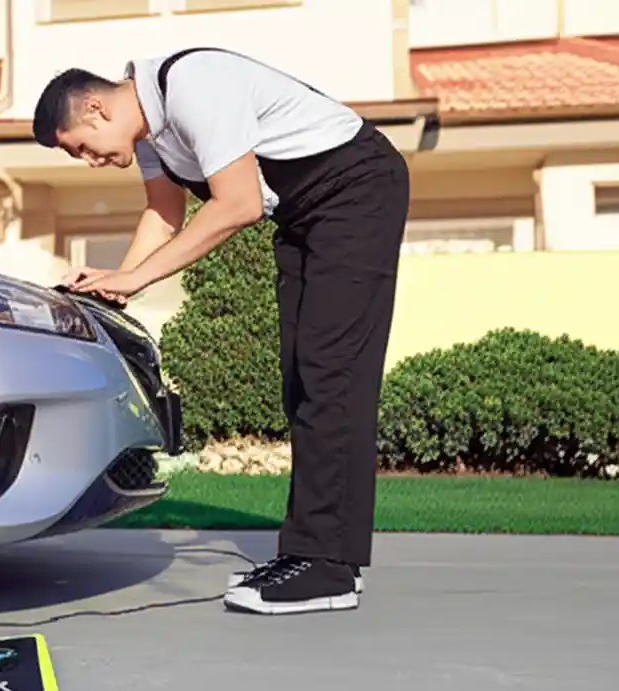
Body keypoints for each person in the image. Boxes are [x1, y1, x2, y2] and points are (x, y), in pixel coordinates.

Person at [32, 47, 410, 615]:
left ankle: (328, 567)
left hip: (357, 192)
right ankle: (315, 554)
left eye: (82, 146)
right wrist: (115, 281)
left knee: (333, 375)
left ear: (94, 107)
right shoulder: (151, 136)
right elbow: (165, 211)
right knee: (304, 380)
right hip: (307, 215)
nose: (90, 160)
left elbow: (239, 203)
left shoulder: (191, 85)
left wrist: (137, 276)